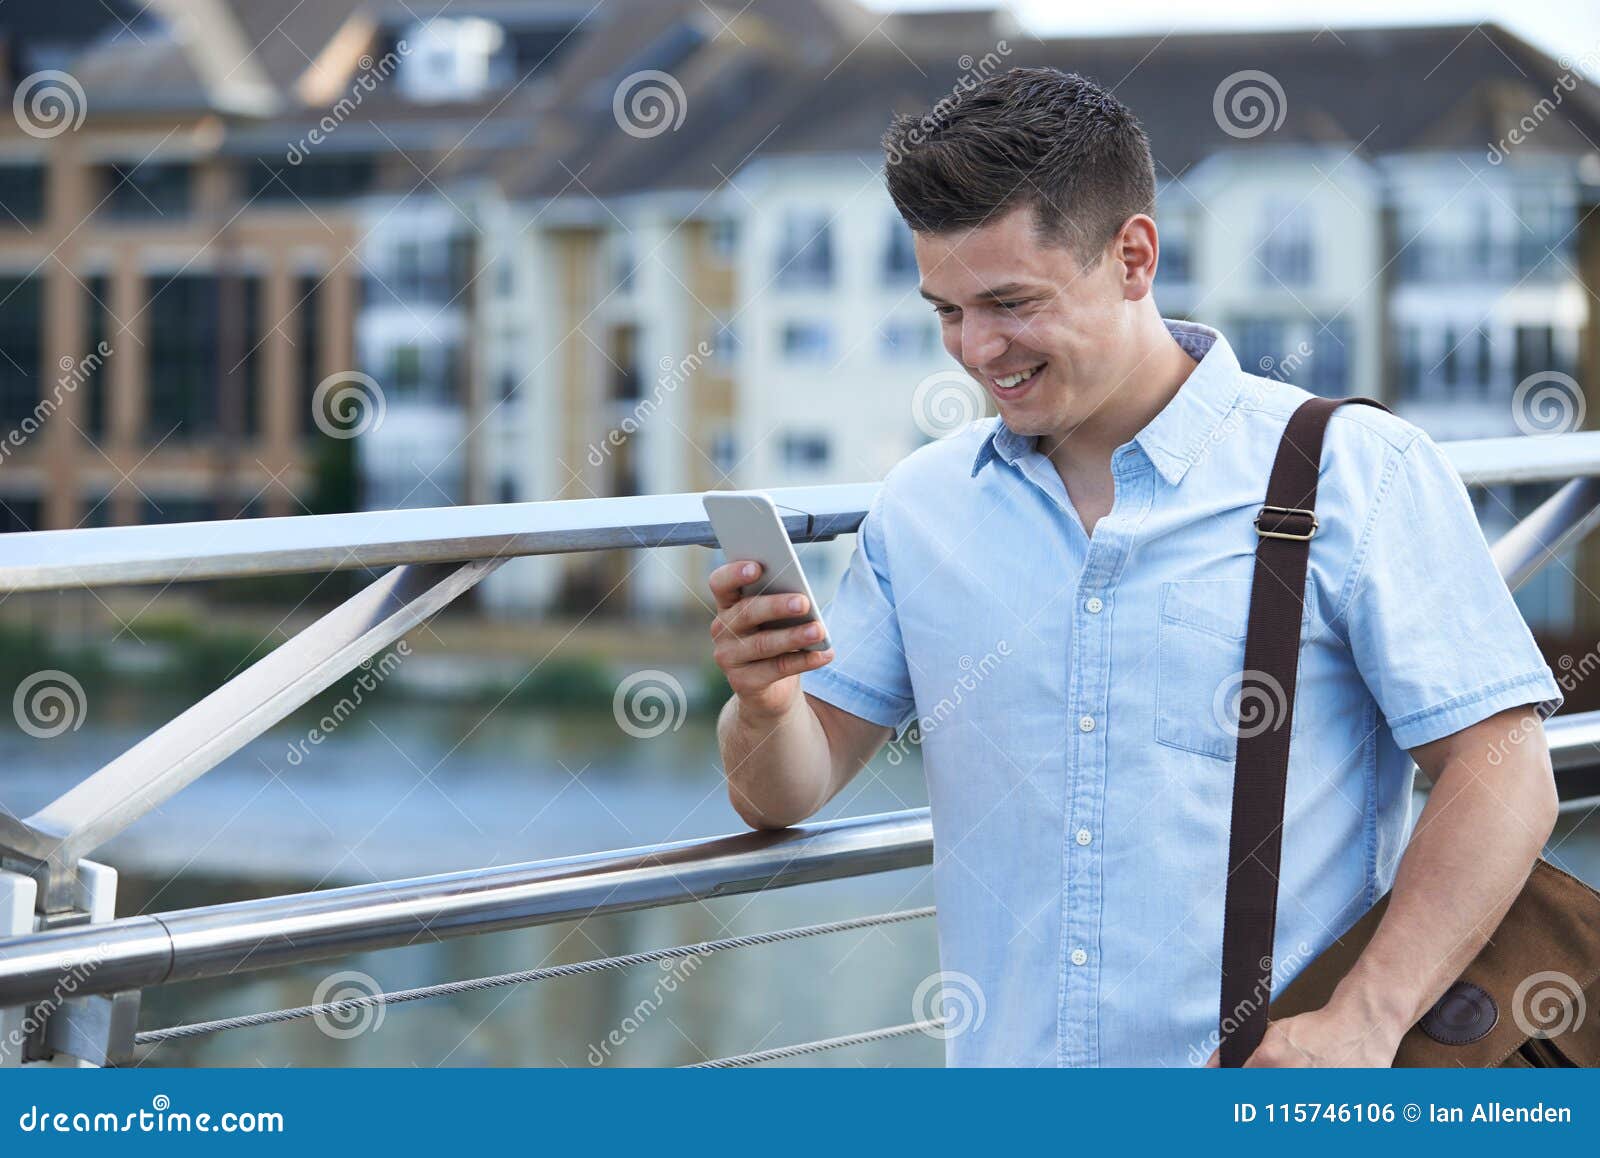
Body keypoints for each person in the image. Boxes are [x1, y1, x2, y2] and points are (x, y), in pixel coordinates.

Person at [708, 67, 1562, 1067]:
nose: (978, 350)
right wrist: (764, 709)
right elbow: (785, 793)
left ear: (1133, 257)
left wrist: (1366, 1018)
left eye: (1011, 302)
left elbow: (1505, 774)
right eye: (946, 310)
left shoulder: (1354, 473)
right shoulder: (922, 506)